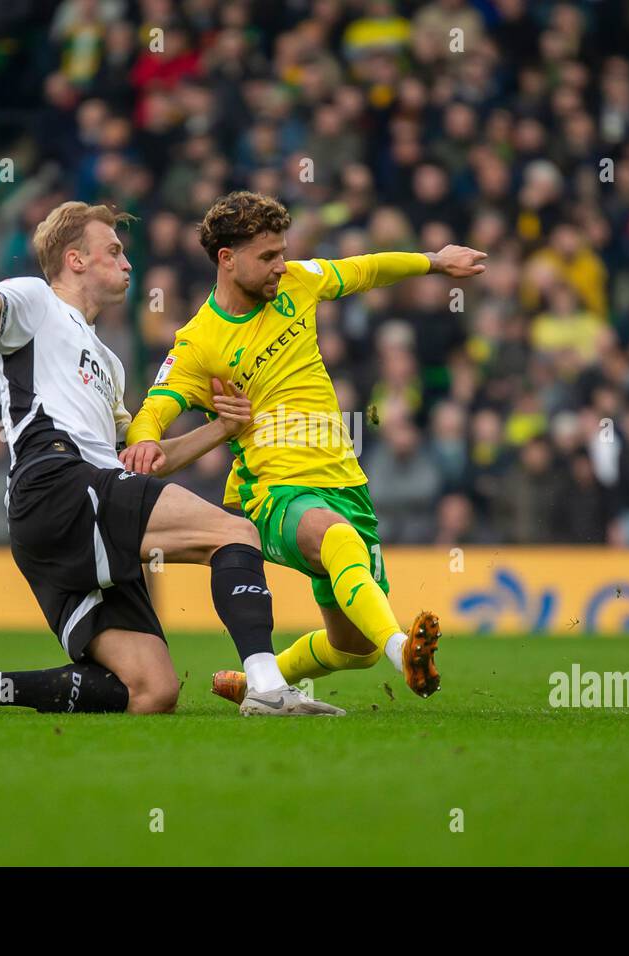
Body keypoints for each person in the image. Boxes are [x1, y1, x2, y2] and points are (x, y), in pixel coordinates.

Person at [0, 201, 341, 717]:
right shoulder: (37, 303)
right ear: (76, 260)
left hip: (64, 513)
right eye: (115, 251)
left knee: (151, 691)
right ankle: (266, 686)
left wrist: (223, 429)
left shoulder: (109, 362)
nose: (128, 264)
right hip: (58, 482)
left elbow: (143, 461)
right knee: (235, 533)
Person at [123, 191, 487, 703]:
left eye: (282, 253)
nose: (280, 266)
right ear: (227, 259)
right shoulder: (198, 340)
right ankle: (403, 646)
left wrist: (434, 262)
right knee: (336, 539)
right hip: (272, 491)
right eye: (267, 257)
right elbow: (155, 407)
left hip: (345, 481)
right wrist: (142, 443)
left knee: (353, 647)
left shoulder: (297, 282)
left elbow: (364, 269)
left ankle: (258, 681)